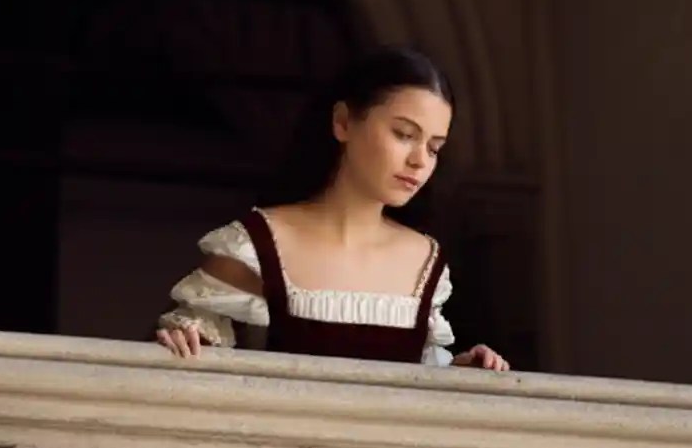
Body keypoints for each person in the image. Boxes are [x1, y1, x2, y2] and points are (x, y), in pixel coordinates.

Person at [155, 45, 509, 371]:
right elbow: (195, 363)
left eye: (434, 148)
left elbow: (420, 387)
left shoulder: (425, 261)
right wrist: (184, 340)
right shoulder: (256, 245)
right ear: (343, 122)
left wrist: (462, 373)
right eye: (403, 134)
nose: (419, 161)